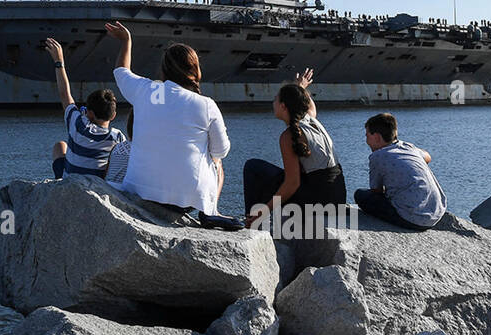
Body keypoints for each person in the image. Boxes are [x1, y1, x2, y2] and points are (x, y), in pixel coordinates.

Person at [105, 21, 229, 215]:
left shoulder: (150, 90)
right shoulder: (206, 104)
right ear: (195, 70)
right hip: (186, 201)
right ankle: (212, 213)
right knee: (218, 163)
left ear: (163, 69)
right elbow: (221, 151)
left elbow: (121, 71)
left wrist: (126, 41)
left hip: (140, 191)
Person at [244, 69, 346, 227]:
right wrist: (300, 87)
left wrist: (265, 209)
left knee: (253, 167)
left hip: (318, 201)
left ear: (283, 106)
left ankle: (252, 221)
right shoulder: (311, 120)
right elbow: (309, 105)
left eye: (275, 100)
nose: (273, 103)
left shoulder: (288, 136)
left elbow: (292, 183)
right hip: (337, 197)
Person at [43, 38, 126, 178]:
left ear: (90, 113)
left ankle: (59, 181)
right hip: (99, 184)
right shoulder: (117, 136)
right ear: (113, 115)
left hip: (71, 182)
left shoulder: (78, 123)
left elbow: (65, 95)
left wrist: (59, 62)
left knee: (60, 146)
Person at [354, 113, 447, 230]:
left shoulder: (377, 156)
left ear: (377, 137)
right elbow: (428, 156)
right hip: (436, 214)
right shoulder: (408, 147)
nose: (366, 140)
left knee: (360, 195)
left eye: (367, 136)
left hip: (413, 219)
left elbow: (375, 190)